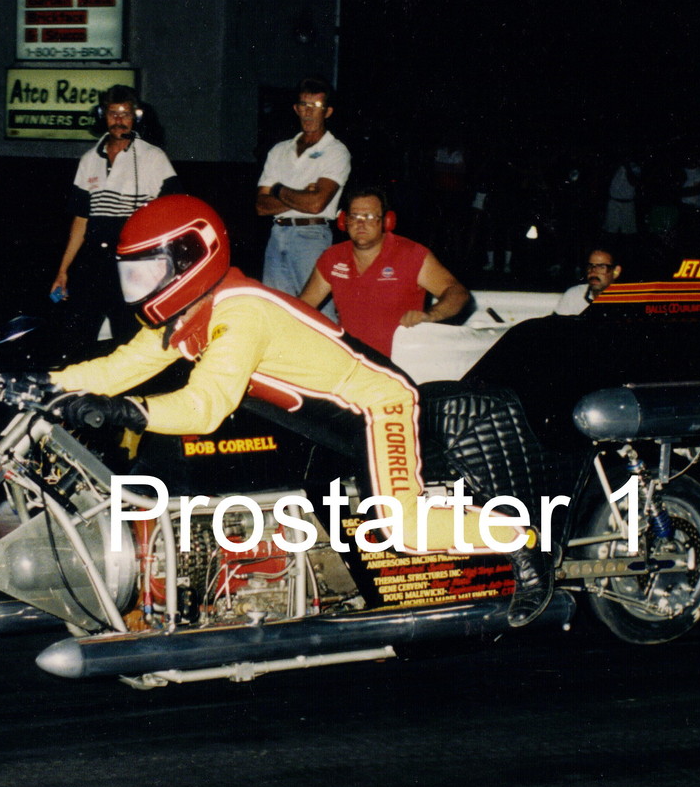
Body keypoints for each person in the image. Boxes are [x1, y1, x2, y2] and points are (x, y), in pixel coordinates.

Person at [48, 195, 552, 626]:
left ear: (190, 260)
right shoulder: (190, 314)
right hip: (318, 420)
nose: (141, 286)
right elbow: (119, 366)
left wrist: (127, 411)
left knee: (404, 528)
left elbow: (203, 407)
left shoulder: (241, 311)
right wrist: (46, 384)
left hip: (375, 404)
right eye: (133, 274)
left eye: (150, 271)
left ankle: (523, 541)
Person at [52, 86, 181, 349]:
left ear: (136, 117)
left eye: (125, 114)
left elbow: (173, 211)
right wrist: (63, 270)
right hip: (93, 263)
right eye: (113, 113)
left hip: (134, 264)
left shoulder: (153, 157)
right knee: (78, 337)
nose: (119, 120)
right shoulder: (89, 159)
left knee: (128, 339)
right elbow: (81, 221)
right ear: (103, 116)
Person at [297, 187, 470, 358]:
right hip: (351, 360)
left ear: (387, 221)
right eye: (354, 216)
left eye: (370, 217)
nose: (361, 223)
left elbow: (457, 292)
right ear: (344, 221)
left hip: (401, 360)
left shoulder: (411, 255)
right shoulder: (332, 257)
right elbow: (303, 306)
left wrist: (431, 315)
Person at [255, 78, 351, 297]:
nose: (308, 112)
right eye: (304, 105)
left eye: (316, 106)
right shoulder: (279, 150)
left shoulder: (336, 151)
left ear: (327, 112)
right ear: (296, 109)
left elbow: (316, 204)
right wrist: (303, 195)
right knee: (276, 307)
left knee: (315, 309)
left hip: (311, 236)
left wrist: (277, 189)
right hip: (276, 235)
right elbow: (261, 206)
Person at [555, 247, 621, 315]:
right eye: (590, 266)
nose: (593, 272)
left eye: (601, 267)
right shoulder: (574, 295)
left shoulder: (624, 299)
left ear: (616, 272)